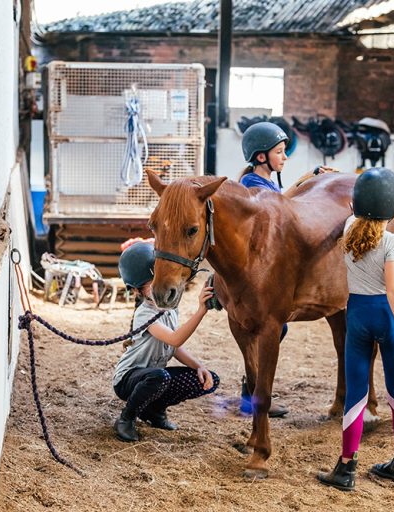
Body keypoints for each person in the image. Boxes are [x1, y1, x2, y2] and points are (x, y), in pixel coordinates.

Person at [318, 168, 394, 491]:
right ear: (392, 209)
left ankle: (347, 466)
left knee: (356, 392)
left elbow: (354, 211)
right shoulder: (392, 242)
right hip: (386, 315)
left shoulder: (350, 229)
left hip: (358, 315)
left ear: (356, 206)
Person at [112, 241, 220, 442]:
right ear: (137, 291)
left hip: (153, 377)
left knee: (206, 379)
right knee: (159, 377)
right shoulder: (144, 314)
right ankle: (126, 419)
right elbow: (175, 338)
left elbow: (174, 347)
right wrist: (201, 311)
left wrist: (199, 366)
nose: (160, 286)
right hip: (129, 381)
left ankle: (154, 411)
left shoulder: (170, 308)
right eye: (152, 284)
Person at [235, 121, 292, 418]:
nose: (284, 157)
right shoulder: (254, 187)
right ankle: (253, 395)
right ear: (261, 157)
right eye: (279, 152)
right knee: (269, 330)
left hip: (264, 267)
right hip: (256, 272)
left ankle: (250, 391)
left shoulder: (265, 183)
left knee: (276, 329)